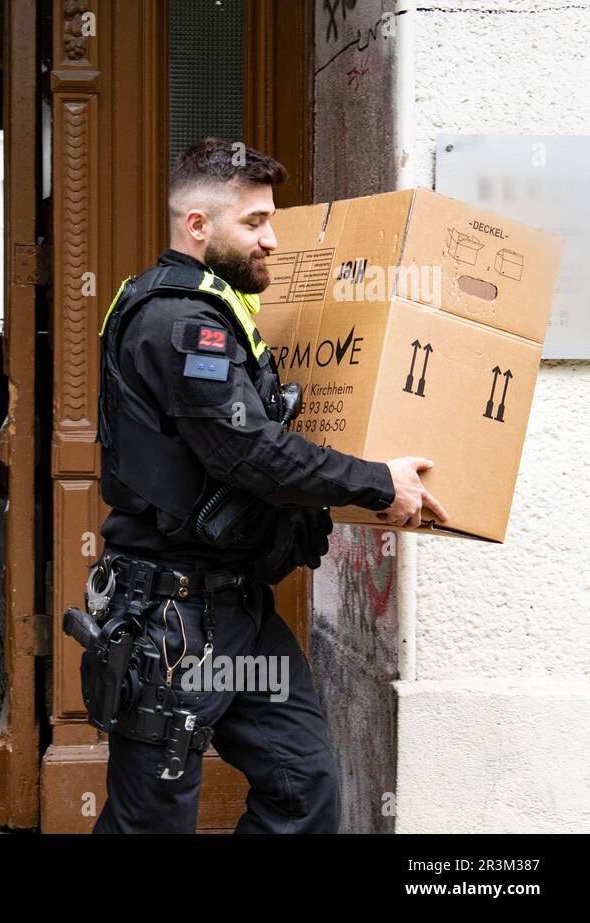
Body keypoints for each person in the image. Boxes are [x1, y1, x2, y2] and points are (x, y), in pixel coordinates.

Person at [88, 138, 448, 834]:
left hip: (238, 612)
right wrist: (378, 483)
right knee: (150, 824)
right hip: (173, 622)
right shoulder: (180, 323)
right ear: (199, 226)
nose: (273, 239)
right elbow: (249, 453)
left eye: (271, 220)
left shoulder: (217, 309)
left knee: (303, 789)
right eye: (254, 222)